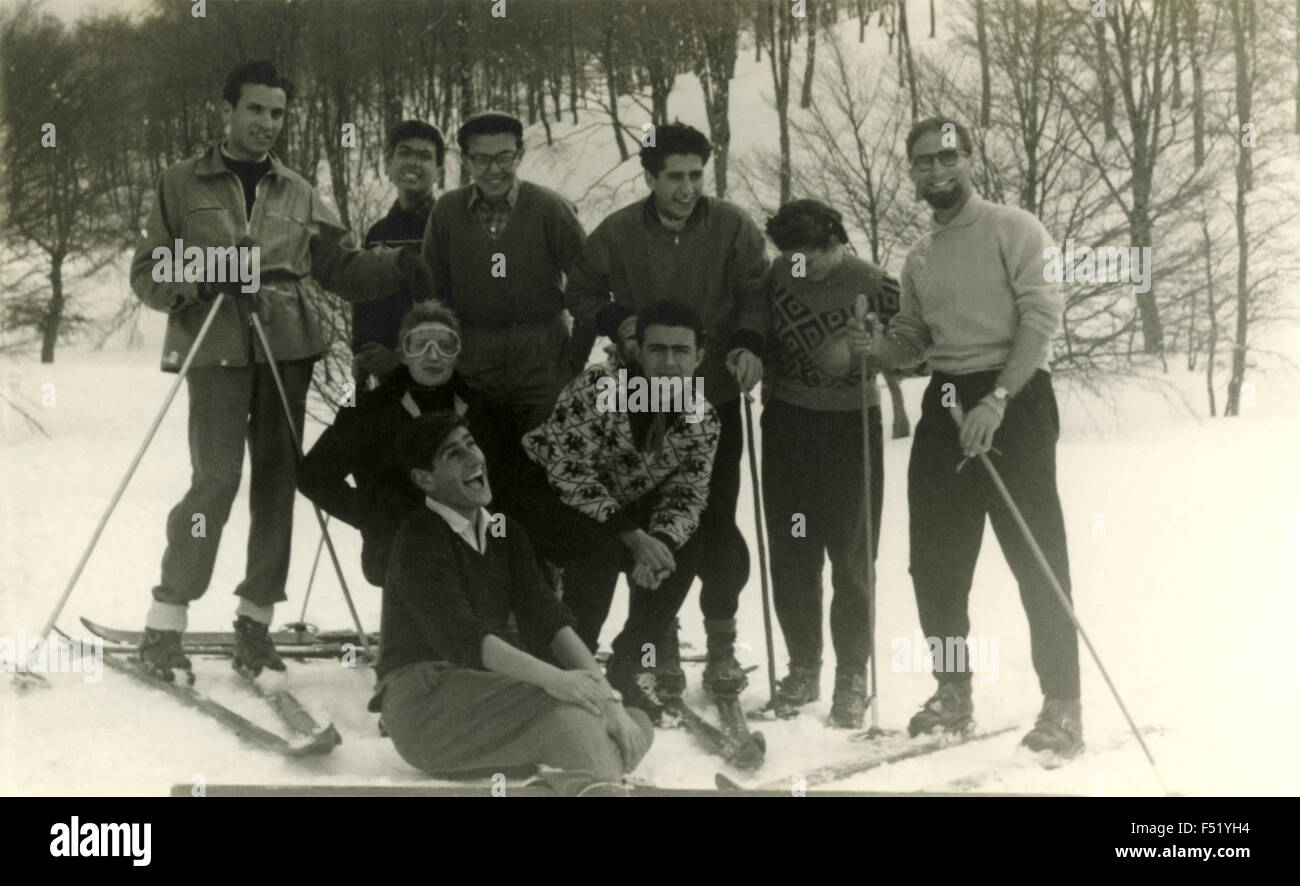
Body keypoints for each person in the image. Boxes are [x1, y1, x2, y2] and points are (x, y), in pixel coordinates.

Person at [128, 60, 425, 683]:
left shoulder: (295, 189)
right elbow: (149, 275)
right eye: (256, 109)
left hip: (286, 344)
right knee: (214, 481)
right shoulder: (181, 182)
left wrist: (406, 268)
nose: (267, 123)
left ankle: (255, 621)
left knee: (276, 480)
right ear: (228, 111)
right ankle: (166, 619)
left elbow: (341, 266)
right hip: (214, 343)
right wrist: (205, 275)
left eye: (278, 113)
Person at [849, 116, 1082, 757]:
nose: (935, 171)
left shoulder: (1015, 227)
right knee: (936, 564)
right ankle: (953, 692)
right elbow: (914, 341)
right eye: (923, 162)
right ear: (913, 172)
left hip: (1018, 397)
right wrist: (879, 348)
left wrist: (1000, 399)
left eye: (946, 157)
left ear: (970, 159)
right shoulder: (920, 255)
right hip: (946, 398)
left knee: (1036, 557)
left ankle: (1063, 705)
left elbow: (1040, 317)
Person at [565, 122, 768, 701]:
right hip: (641, 401)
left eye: (695, 176)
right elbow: (578, 292)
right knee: (646, 525)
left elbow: (756, 290)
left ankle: (722, 639)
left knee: (713, 523)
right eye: (673, 176)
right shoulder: (620, 230)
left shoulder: (731, 226)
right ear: (649, 177)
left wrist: (749, 342)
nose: (686, 188)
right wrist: (617, 322)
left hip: (714, 396)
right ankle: (657, 640)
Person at [374, 412, 654, 795]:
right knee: (574, 712)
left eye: (471, 443)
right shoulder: (419, 538)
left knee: (634, 722)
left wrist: (609, 700)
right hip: (426, 706)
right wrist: (559, 682)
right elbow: (465, 639)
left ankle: (566, 782)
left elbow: (546, 615)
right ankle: (597, 783)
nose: (473, 458)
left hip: (486, 698)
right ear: (425, 479)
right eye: (453, 454)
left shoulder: (502, 529)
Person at [521, 301, 720, 723]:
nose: (668, 362)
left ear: (699, 356)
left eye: (681, 351)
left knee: (685, 545)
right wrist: (632, 537)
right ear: (639, 352)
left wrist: (660, 545)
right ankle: (574, 662)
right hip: (544, 494)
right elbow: (569, 473)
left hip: (615, 508)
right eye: (658, 350)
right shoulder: (600, 387)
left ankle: (630, 662)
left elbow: (687, 494)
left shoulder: (702, 418)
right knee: (598, 552)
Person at [758, 200, 900, 728]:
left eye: (812, 256)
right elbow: (761, 333)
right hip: (788, 425)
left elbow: (915, 351)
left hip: (849, 427)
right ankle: (802, 665)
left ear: (836, 241)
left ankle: (851, 675)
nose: (801, 266)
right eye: (790, 256)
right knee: (792, 549)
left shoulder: (873, 281)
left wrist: (876, 345)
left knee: (851, 553)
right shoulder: (778, 275)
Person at [299, 301, 471, 586]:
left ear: (458, 353)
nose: (433, 356)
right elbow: (314, 476)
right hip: (399, 550)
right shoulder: (369, 410)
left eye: (445, 346)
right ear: (403, 354)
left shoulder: (481, 406)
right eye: (420, 345)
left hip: (467, 550)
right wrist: (372, 516)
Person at [352, 120, 445, 387]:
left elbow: (453, 304)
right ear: (388, 164)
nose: (413, 163)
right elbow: (364, 304)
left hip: (436, 369)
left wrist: (402, 356)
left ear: (438, 171)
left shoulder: (446, 227)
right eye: (404, 153)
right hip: (385, 377)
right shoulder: (377, 233)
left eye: (425, 156)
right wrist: (362, 353)